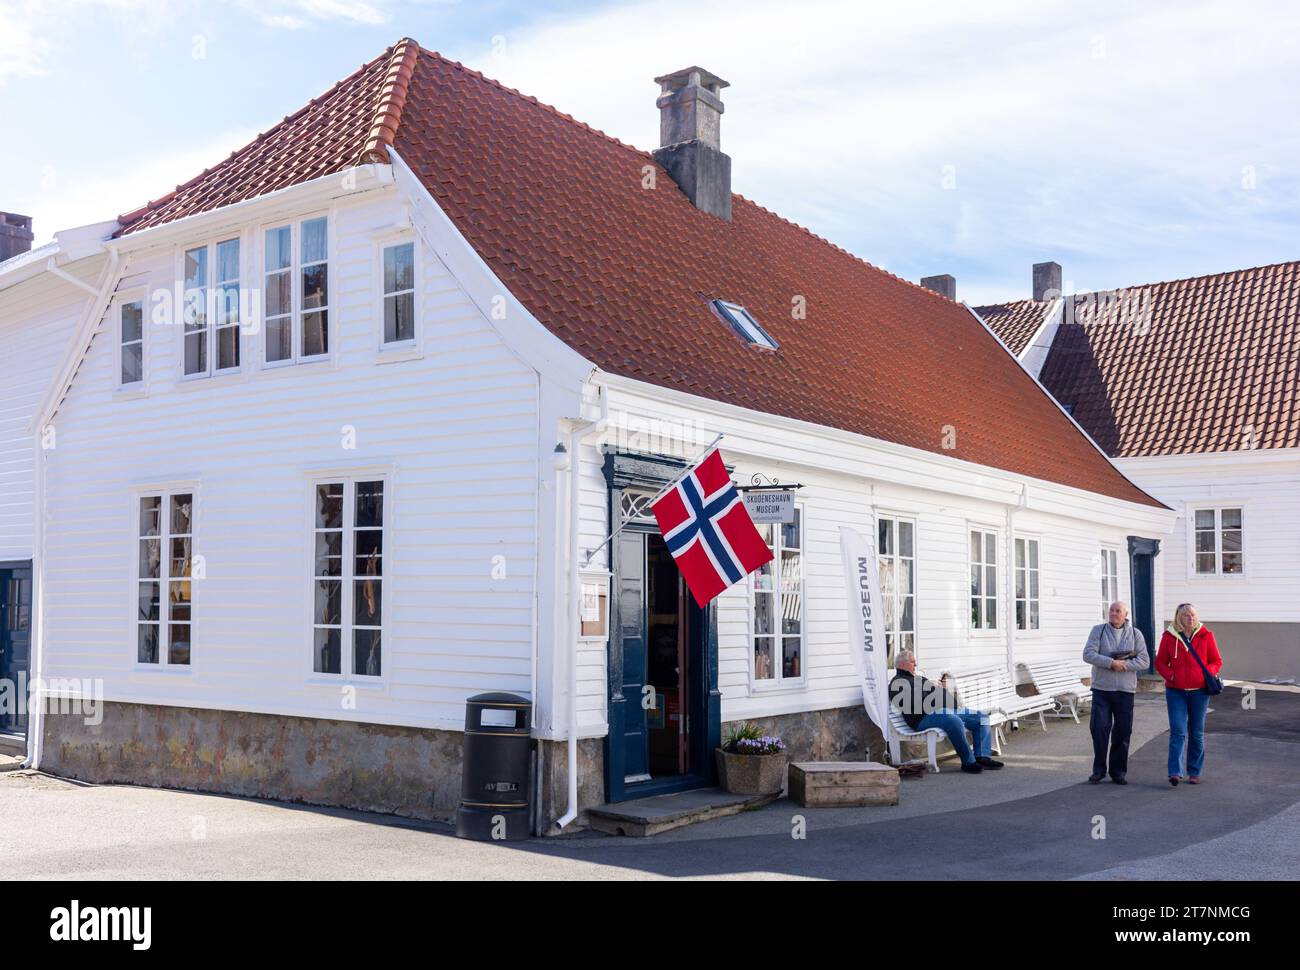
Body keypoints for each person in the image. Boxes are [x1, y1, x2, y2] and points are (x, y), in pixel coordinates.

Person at [889, 650, 1003, 773]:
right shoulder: (897, 682)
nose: (915, 665)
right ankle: (968, 762)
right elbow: (912, 704)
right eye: (913, 662)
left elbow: (942, 700)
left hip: (942, 712)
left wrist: (941, 690)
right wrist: (930, 690)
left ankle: (982, 757)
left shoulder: (919, 679)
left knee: (982, 717)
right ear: (902, 664)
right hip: (922, 718)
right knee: (953, 719)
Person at [1155, 603, 1223, 787]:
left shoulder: (1206, 636)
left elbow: (1217, 661)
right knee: (1178, 731)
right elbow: (1160, 662)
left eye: (1192, 615)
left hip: (1199, 692)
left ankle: (1194, 771)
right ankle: (1175, 772)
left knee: (1196, 732)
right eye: (1186, 615)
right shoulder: (1169, 637)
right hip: (1176, 692)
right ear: (1178, 617)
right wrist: (1172, 675)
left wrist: (1206, 673)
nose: (1190, 618)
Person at [1082, 601, 1149, 785]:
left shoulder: (1136, 634)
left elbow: (1144, 661)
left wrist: (1124, 665)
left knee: (1122, 732)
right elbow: (1088, 654)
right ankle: (1099, 770)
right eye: (1111, 610)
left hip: (1125, 691)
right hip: (1102, 690)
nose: (1113, 613)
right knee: (1099, 729)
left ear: (1125, 614)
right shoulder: (1098, 631)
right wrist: (1111, 663)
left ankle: (1118, 772)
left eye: (1117, 611)